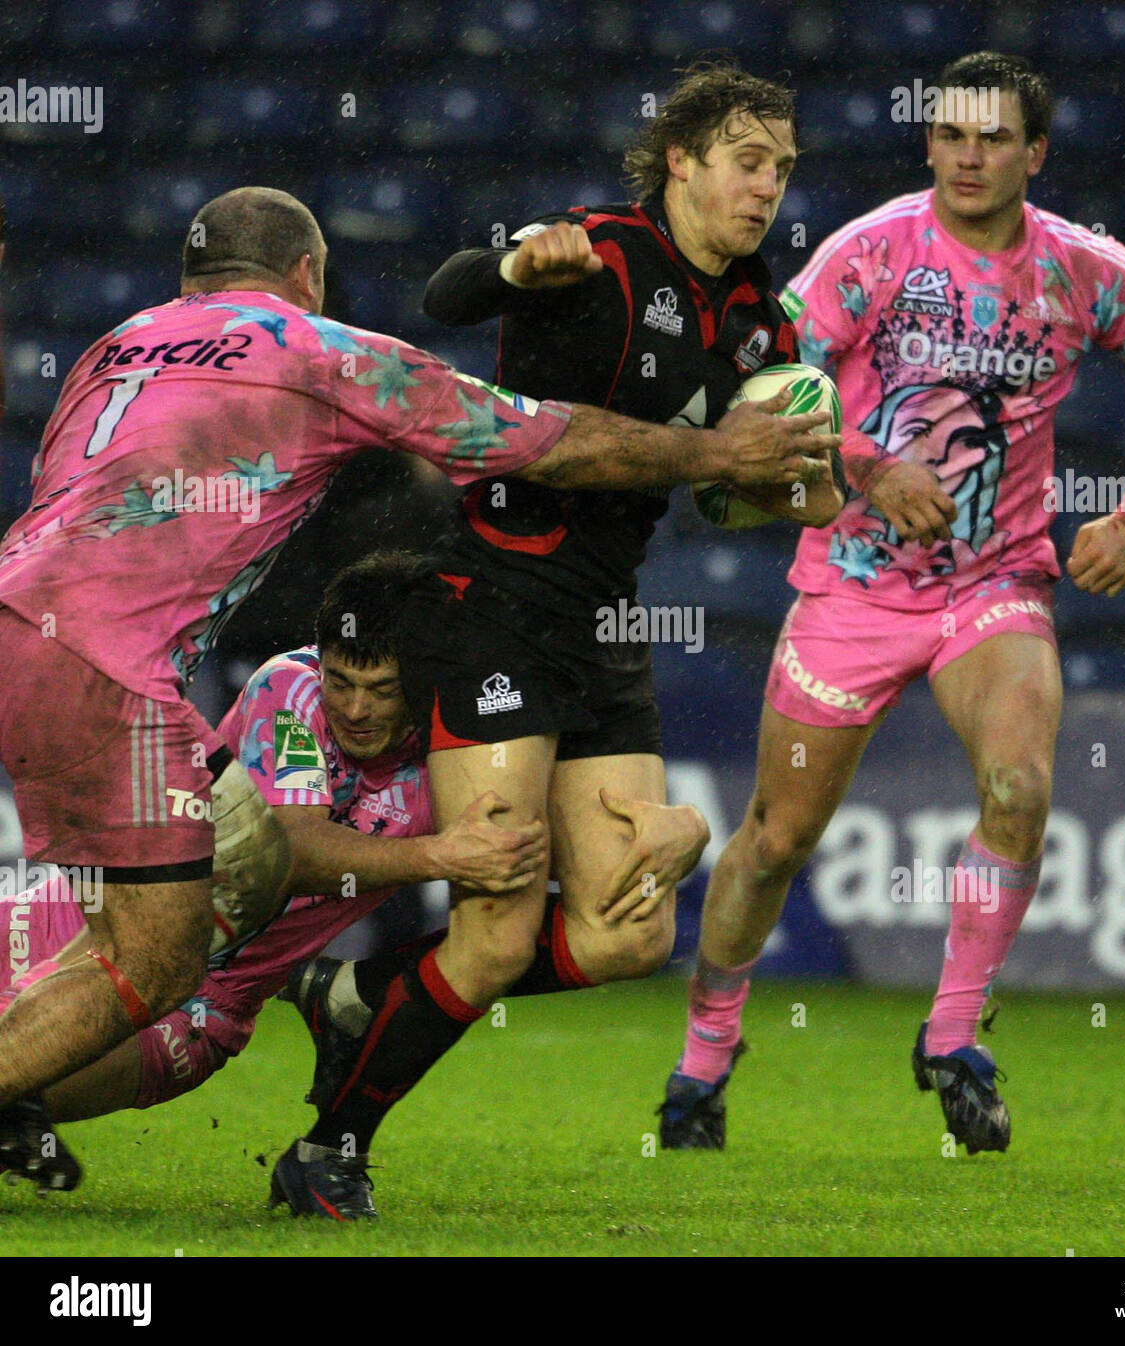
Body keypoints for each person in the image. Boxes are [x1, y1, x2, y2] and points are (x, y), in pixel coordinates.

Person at [0, 184, 837, 1188]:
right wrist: (712, 451)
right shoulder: (315, 349)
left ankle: (32, 1096)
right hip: (105, 658)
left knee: (203, 890)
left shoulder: (116, 343)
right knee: (155, 959)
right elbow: (539, 438)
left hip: (25, 616)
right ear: (306, 275)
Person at [283, 60, 846, 1213]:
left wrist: (810, 478)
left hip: (603, 620)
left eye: (782, 168)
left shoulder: (757, 318)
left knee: (629, 931)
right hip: (491, 596)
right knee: (493, 933)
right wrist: (506, 263)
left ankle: (362, 991)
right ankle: (329, 1150)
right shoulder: (594, 249)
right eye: (747, 161)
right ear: (682, 159)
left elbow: (775, 497)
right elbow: (444, 301)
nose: (767, 189)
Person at [655, 51, 1125, 1153]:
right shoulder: (868, 253)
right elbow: (754, 379)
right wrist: (867, 467)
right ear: (928, 142)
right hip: (852, 587)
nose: (968, 155)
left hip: (993, 582)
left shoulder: (1080, 269)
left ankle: (954, 1035)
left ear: (1033, 154)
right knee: (772, 839)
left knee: (1018, 781)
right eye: (951, 136)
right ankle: (703, 1058)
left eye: (993, 138)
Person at [0, 550, 706, 1208]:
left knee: (25, 1086)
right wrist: (438, 856)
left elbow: (559, 862)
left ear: (424, 679)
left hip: (206, 1012)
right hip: (89, 921)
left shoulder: (467, 755)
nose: (356, 708)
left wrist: (686, 824)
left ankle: (360, 992)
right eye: (343, 680)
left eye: (381, 689)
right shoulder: (292, 689)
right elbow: (294, 852)